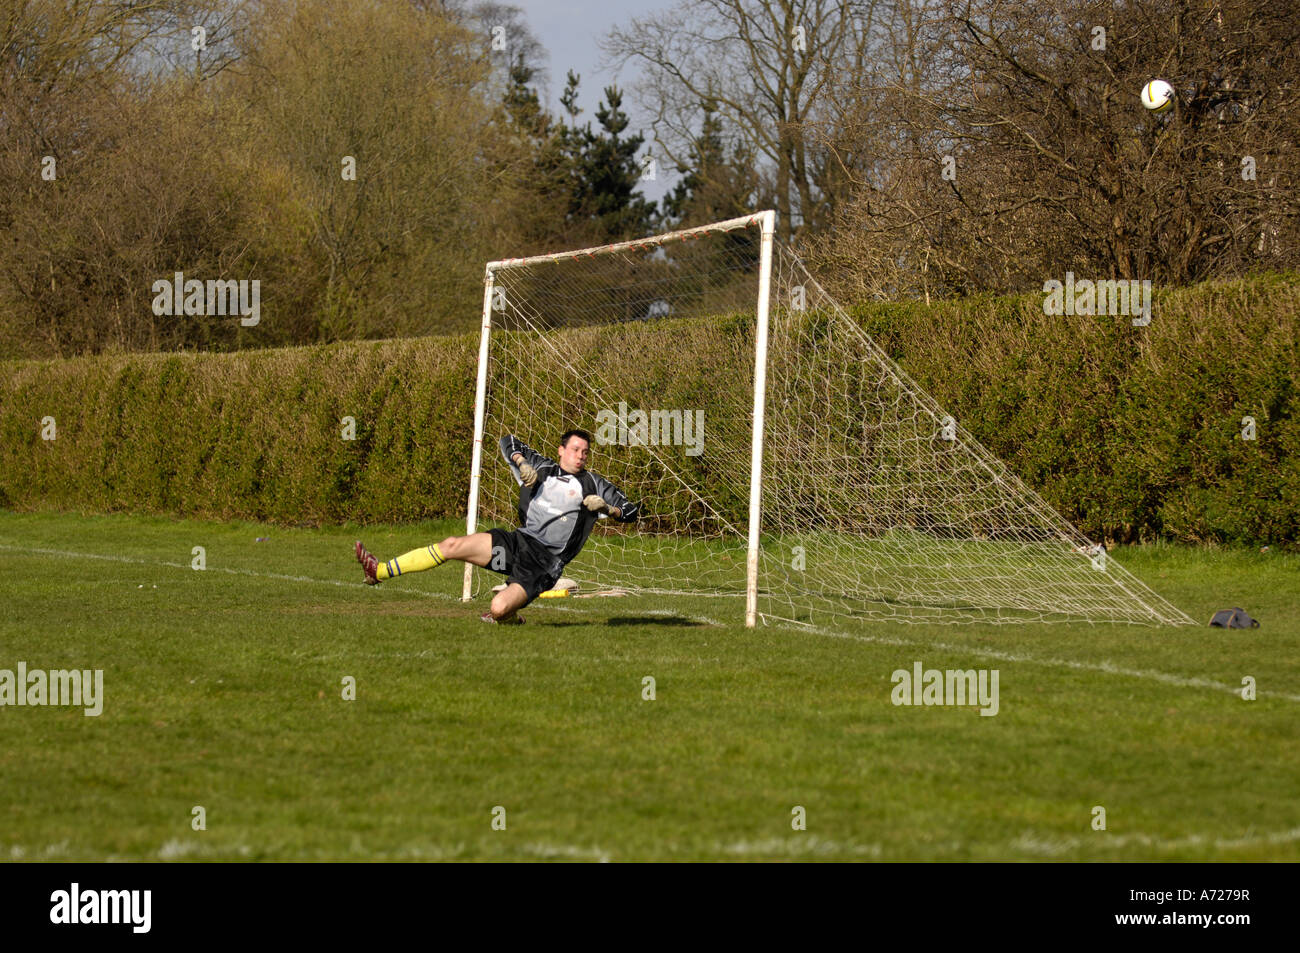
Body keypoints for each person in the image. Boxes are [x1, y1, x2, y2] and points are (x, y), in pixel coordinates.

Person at [354, 429, 638, 624]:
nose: (581, 456)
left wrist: (608, 509)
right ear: (561, 450)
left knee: (497, 608)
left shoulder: (594, 484)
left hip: (543, 564)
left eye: (585, 452)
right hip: (516, 543)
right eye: (575, 449)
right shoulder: (541, 467)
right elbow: (508, 441)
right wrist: (521, 462)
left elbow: (631, 511)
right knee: (452, 545)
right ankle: (378, 571)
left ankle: (510, 616)